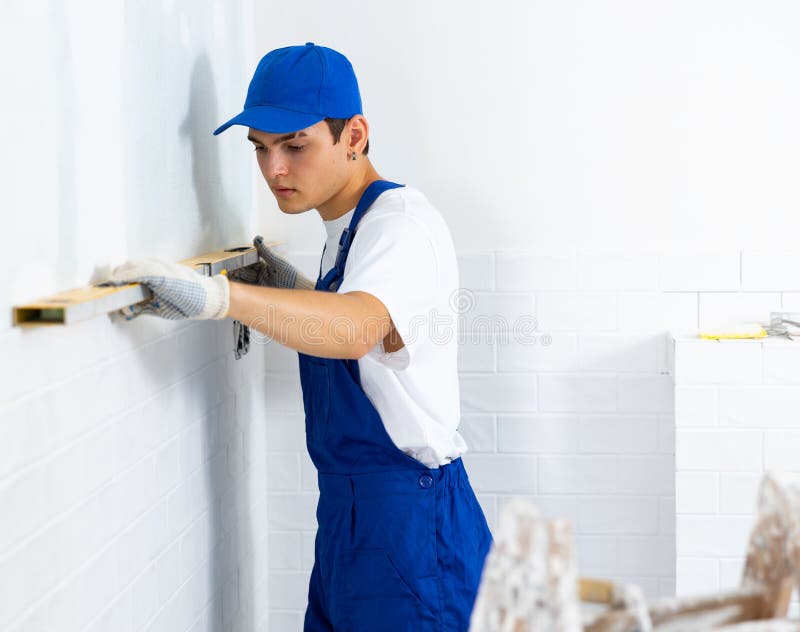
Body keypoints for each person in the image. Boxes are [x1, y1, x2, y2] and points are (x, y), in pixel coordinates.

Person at [108, 42, 492, 631]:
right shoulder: (351, 230)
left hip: (410, 526)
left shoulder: (401, 225)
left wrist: (220, 298)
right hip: (352, 518)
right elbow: (372, 336)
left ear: (355, 135)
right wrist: (299, 288)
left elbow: (355, 328)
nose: (273, 170)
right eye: (260, 148)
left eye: (295, 146)